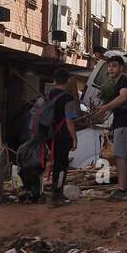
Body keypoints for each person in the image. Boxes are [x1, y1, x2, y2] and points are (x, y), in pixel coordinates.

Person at [95, 51, 127, 199]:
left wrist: (106, 107)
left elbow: (124, 96)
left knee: (120, 156)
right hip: (125, 123)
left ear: (121, 68)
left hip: (125, 123)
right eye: (109, 66)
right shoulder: (119, 83)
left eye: (114, 66)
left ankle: (122, 190)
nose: (111, 69)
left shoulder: (124, 82)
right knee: (125, 157)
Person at [44, 68, 79, 206]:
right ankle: (57, 194)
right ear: (68, 80)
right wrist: (74, 138)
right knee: (62, 165)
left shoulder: (48, 95)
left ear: (54, 80)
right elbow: (69, 120)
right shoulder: (67, 98)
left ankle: (54, 192)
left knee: (55, 164)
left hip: (49, 135)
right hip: (63, 135)